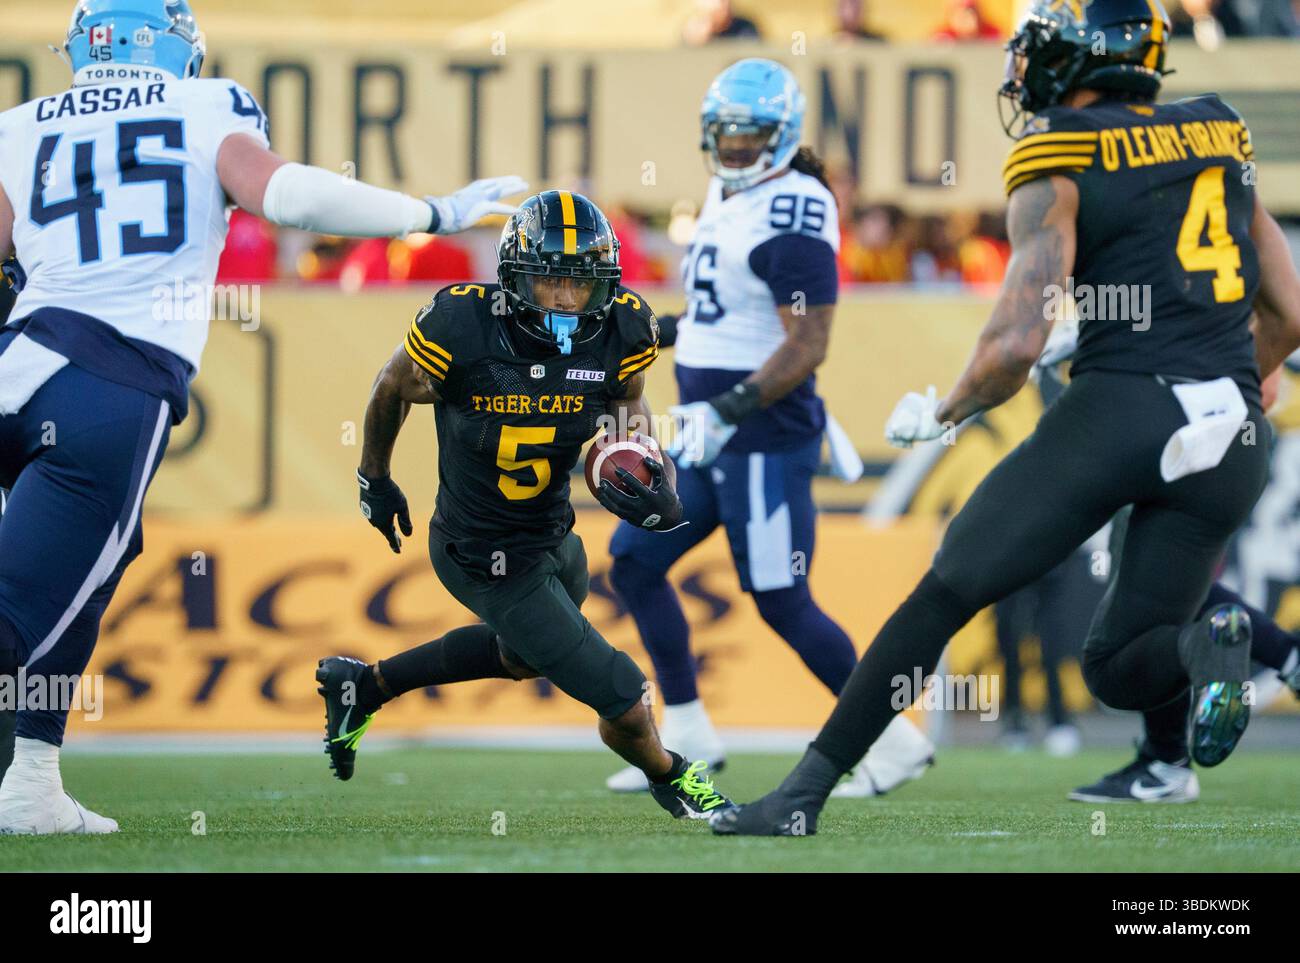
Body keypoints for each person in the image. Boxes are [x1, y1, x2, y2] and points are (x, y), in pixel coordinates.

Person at [715, 0, 1300, 836]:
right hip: (1233, 431)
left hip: (1124, 407)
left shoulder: (1060, 146)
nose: (1025, 69)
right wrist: (1253, 372)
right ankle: (1205, 651)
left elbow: (1017, 343)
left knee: (947, 587)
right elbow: (1287, 306)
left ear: (1080, 58)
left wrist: (949, 406)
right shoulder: (1218, 129)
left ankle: (800, 794)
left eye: (1040, 51)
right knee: (1124, 661)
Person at [0, 0, 525, 835]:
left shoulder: (19, 123)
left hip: (15, 363)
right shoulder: (207, 106)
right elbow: (285, 192)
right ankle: (26, 779)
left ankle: (30, 778)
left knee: (93, 570)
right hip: (107, 384)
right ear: (178, 47)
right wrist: (435, 213)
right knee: (19, 611)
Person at [314, 191, 735, 822]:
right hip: (478, 548)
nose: (567, 299)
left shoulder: (622, 328)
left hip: (555, 538)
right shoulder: (462, 324)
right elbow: (391, 386)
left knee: (519, 656)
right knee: (620, 693)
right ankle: (676, 779)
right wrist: (375, 476)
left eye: (580, 283)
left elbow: (628, 400)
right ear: (515, 278)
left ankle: (365, 686)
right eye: (550, 281)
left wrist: (643, 456)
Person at [604, 59, 934, 798]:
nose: (735, 149)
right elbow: (728, 315)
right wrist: (655, 331)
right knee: (633, 558)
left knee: (781, 595)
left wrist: (726, 409)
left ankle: (893, 741)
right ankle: (686, 725)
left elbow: (807, 344)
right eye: (725, 135)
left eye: (751, 137)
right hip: (707, 433)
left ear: (781, 138)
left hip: (759, 435)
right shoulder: (729, 191)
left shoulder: (796, 211)